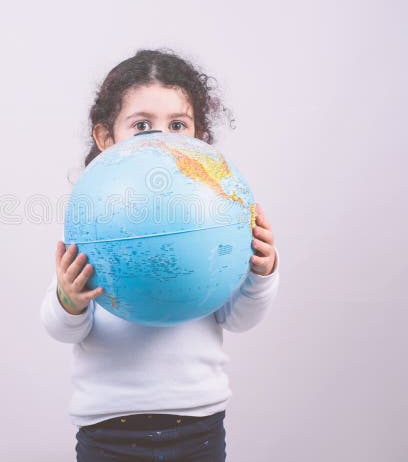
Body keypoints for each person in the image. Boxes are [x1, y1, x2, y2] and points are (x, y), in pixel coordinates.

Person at [39, 48, 280, 461]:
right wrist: (69, 299)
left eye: (177, 125)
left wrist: (261, 272)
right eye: (142, 124)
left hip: (198, 425)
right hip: (107, 429)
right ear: (105, 138)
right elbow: (61, 328)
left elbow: (239, 319)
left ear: (198, 135)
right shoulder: (99, 220)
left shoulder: (212, 214)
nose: (160, 136)